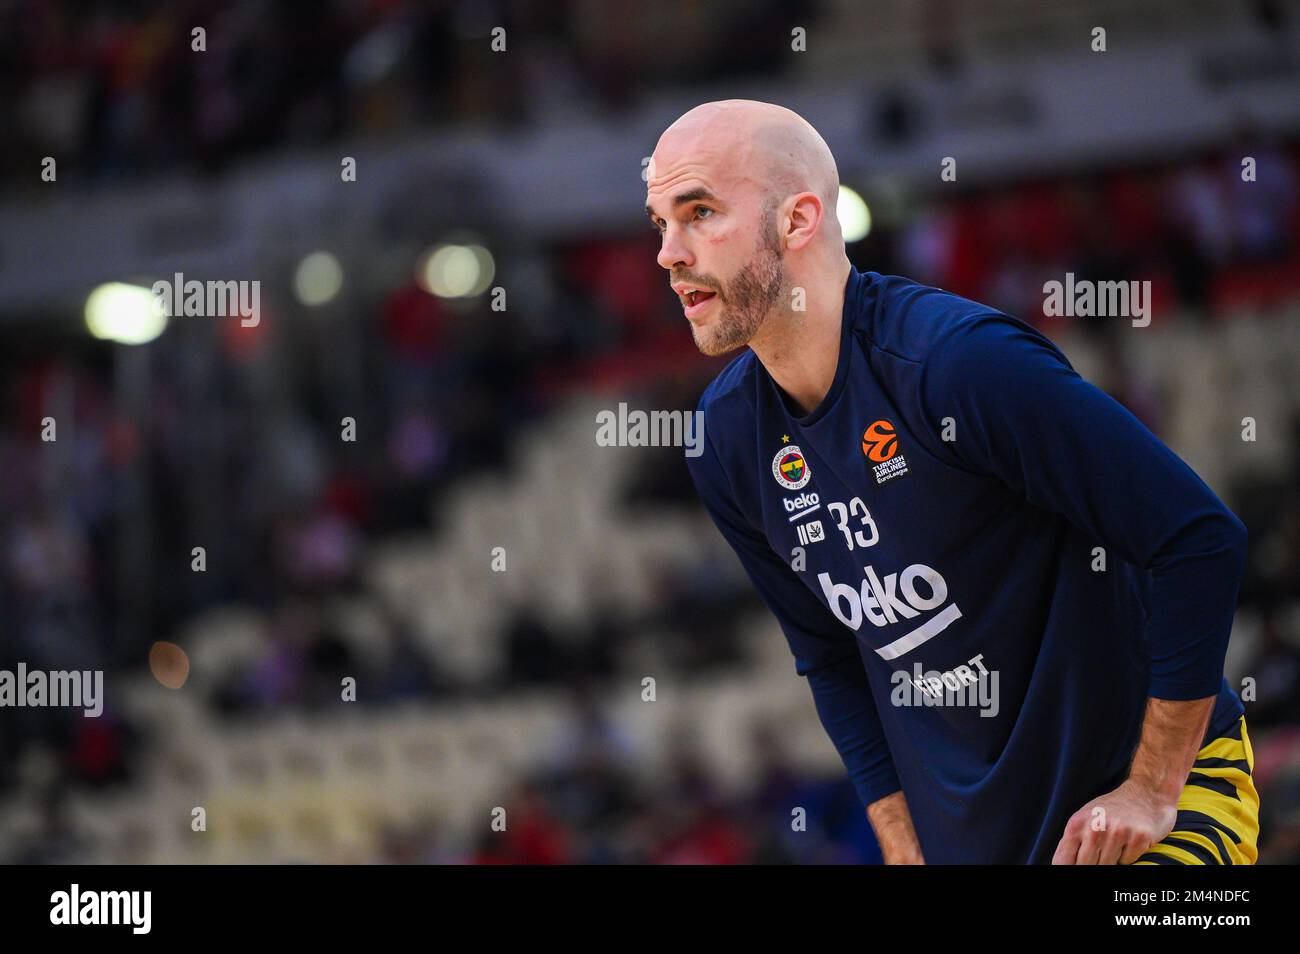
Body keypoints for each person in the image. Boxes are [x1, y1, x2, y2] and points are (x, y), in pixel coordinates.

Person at [647, 99, 1258, 864]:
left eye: (699, 212)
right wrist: (902, 843)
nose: (669, 252)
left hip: (1146, 812)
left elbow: (1197, 539)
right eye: (659, 224)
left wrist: (1151, 788)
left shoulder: (957, 366)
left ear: (797, 221)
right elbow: (832, 661)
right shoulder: (727, 442)